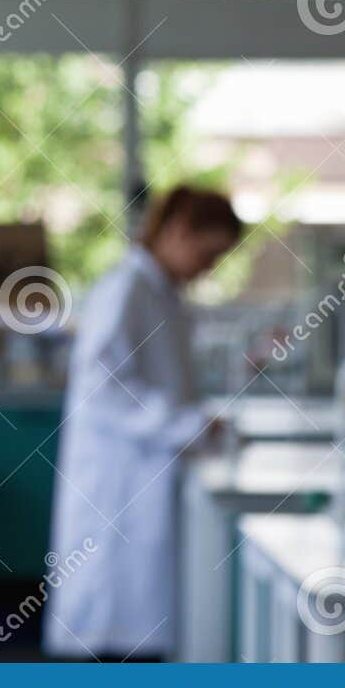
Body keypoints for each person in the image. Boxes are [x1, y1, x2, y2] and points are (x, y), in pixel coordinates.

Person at [43, 185, 243, 660]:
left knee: (135, 627)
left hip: (144, 478)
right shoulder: (126, 289)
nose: (209, 267)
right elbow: (104, 387)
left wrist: (191, 421)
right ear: (176, 230)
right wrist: (184, 424)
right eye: (208, 252)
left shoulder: (164, 296)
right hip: (118, 481)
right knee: (110, 634)